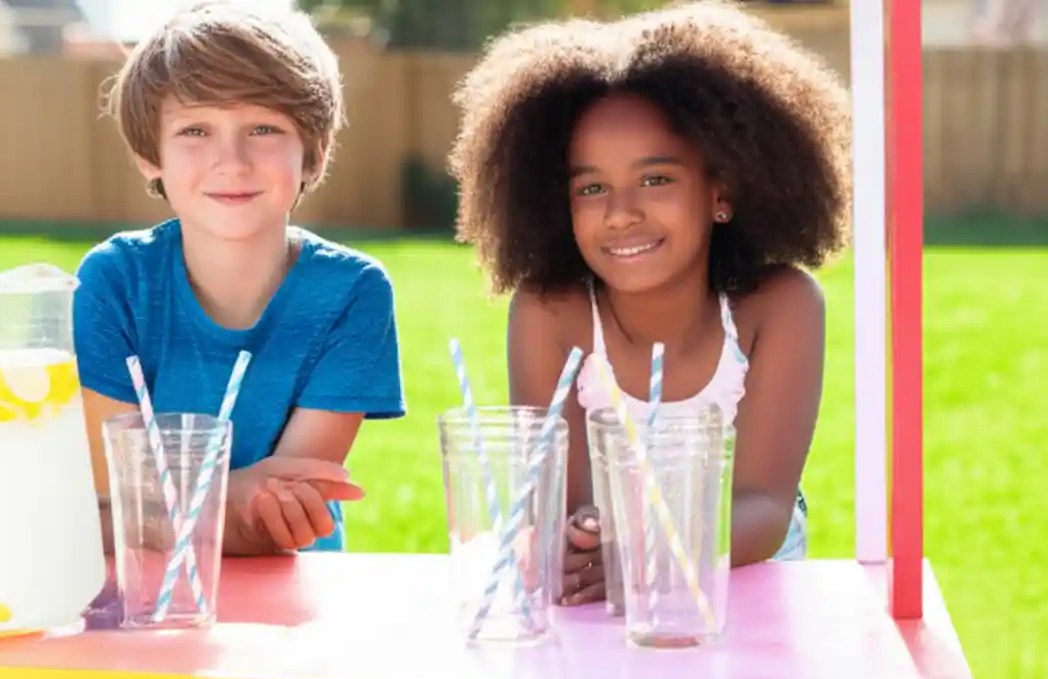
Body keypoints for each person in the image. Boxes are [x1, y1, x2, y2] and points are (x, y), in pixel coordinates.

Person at [447, 0, 850, 605]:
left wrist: (645, 552)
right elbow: (561, 501)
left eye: (656, 179)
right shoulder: (548, 311)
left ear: (723, 189)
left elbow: (763, 507)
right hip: (601, 582)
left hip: (741, 584)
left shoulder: (781, 306)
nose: (621, 213)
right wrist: (590, 537)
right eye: (592, 188)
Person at [76, 1, 405, 558]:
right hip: (144, 602)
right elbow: (113, 500)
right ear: (147, 154)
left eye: (263, 128)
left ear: (314, 155)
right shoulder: (112, 282)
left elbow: (288, 513)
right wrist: (234, 502)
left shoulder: (353, 293)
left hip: (289, 603)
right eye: (195, 130)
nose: (232, 160)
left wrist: (163, 513)